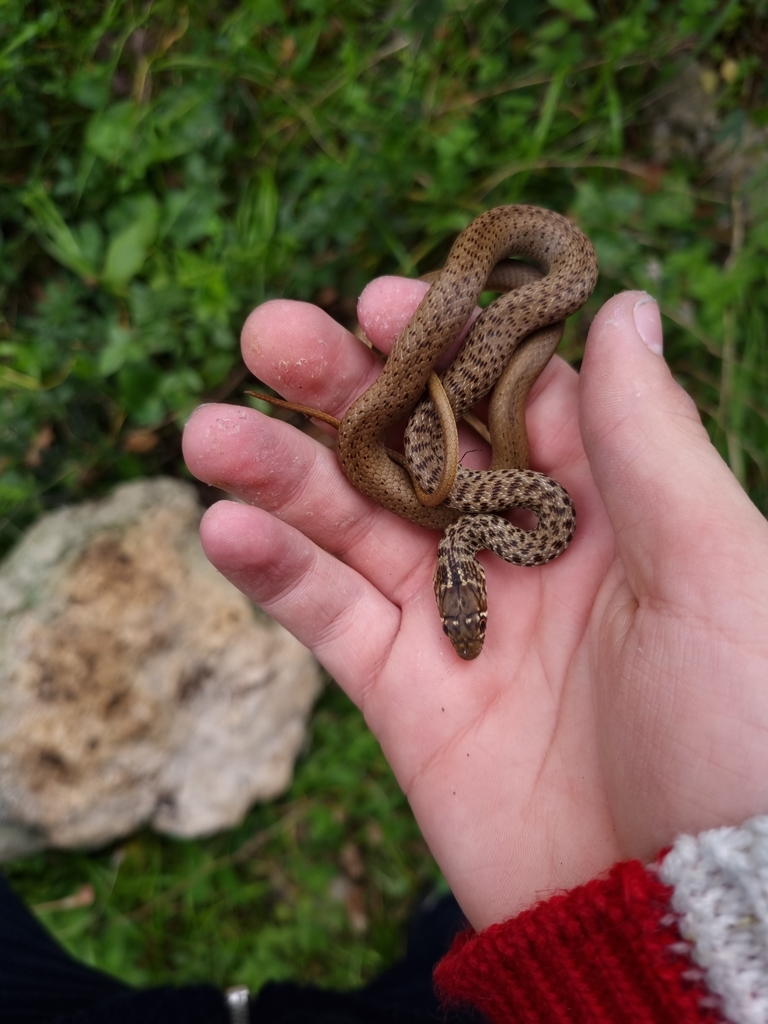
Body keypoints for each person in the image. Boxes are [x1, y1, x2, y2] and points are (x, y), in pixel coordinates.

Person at [180, 278, 768, 1024]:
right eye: (470, 624)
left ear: (467, 591)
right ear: (471, 588)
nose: (471, 628)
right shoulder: (473, 524)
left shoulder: (507, 524)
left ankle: (433, 930)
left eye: (468, 622)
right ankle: (434, 930)